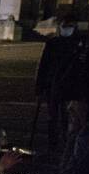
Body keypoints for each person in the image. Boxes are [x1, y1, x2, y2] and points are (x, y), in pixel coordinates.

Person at [34, 14, 84, 155]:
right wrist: (40, 87)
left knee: (68, 117)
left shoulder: (79, 45)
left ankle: (66, 142)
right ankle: (54, 144)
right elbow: (43, 66)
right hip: (54, 86)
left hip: (71, 87)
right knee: (53, 117)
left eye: (70, 26)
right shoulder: (53, 43)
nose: (66, 29)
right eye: (64, 26)